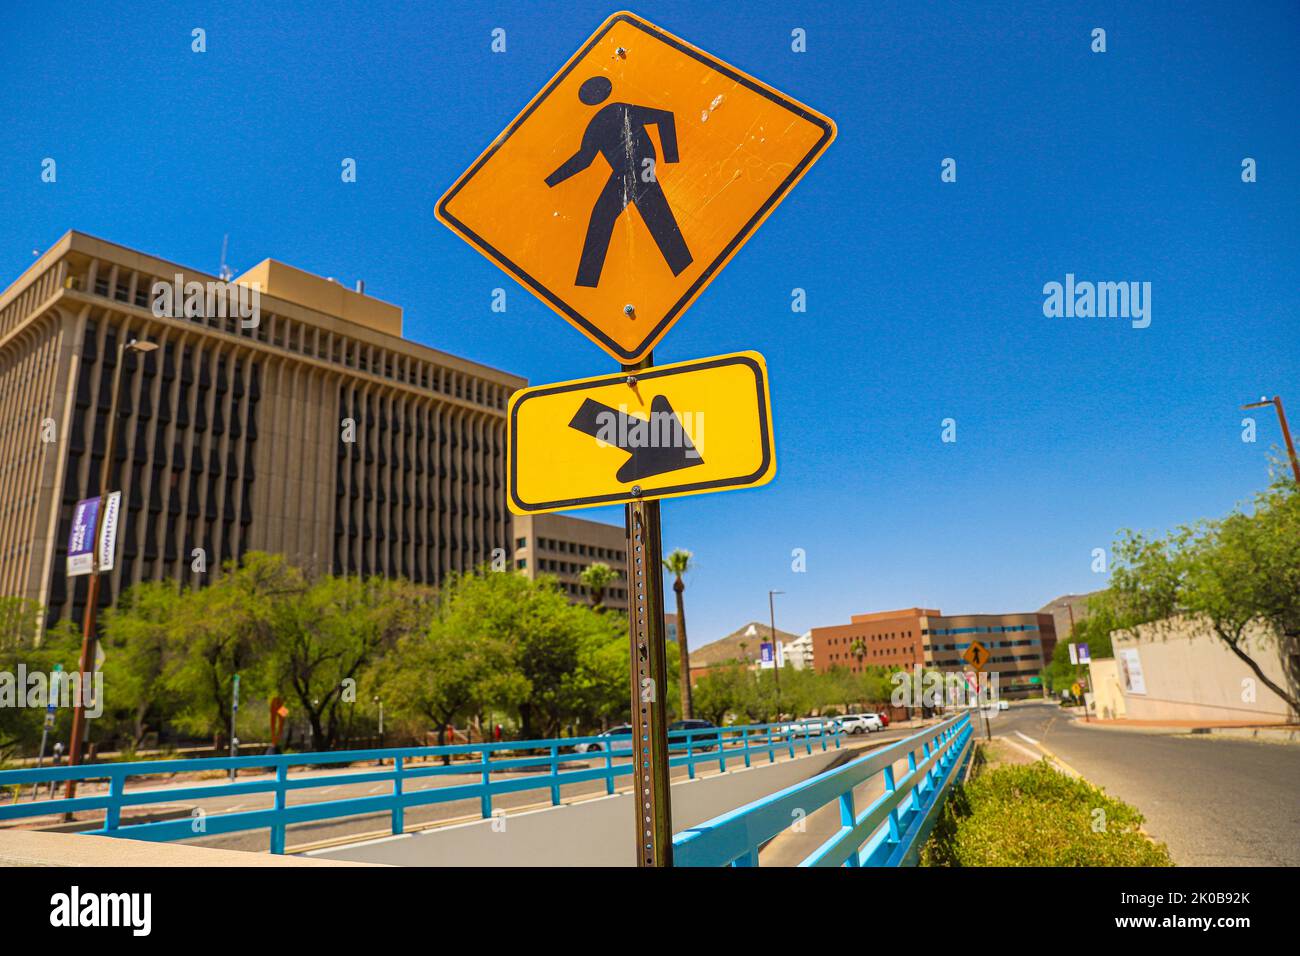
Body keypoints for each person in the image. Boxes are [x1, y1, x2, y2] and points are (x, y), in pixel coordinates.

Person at [545, 76, 693, 287]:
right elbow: (584, 159)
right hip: (627, 172)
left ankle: (587, 282)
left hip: (640, 167)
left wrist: (671, 158)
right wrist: (550, 181)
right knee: (622, 215)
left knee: (646, 215)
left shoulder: (618, 109)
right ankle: (587, 283)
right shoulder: (596, 124)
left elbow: (664, 117)